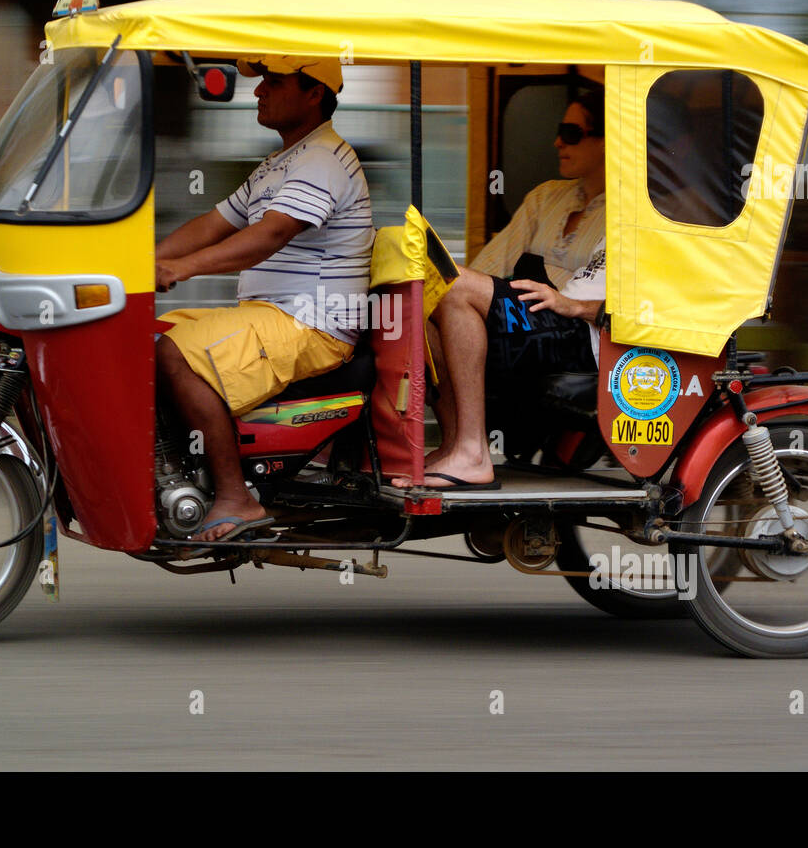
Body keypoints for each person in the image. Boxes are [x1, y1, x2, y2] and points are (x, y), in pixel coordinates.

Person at [155, 55, 373, 541]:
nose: (258, 92)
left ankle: (236, 498)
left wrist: (180, 269)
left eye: (273, 83)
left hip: (311, 325)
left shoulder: (322, 159)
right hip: (271, 316)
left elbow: (268, 236)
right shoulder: (281, 162)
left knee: (175, 353)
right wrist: (139, 263)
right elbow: (213, 224)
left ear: (314, 92)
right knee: (147, 334)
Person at [392, 91, 607, 489]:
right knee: (430, 291)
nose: (557, 142)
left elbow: (645, 301)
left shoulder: (637, 213)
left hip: (579, 331)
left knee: (451, 286)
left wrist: (572, 304)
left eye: (571, 133)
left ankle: (474, 452)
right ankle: (457, 443)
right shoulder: (547, 196)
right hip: (531, 313)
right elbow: (488, 268)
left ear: (608, 141)